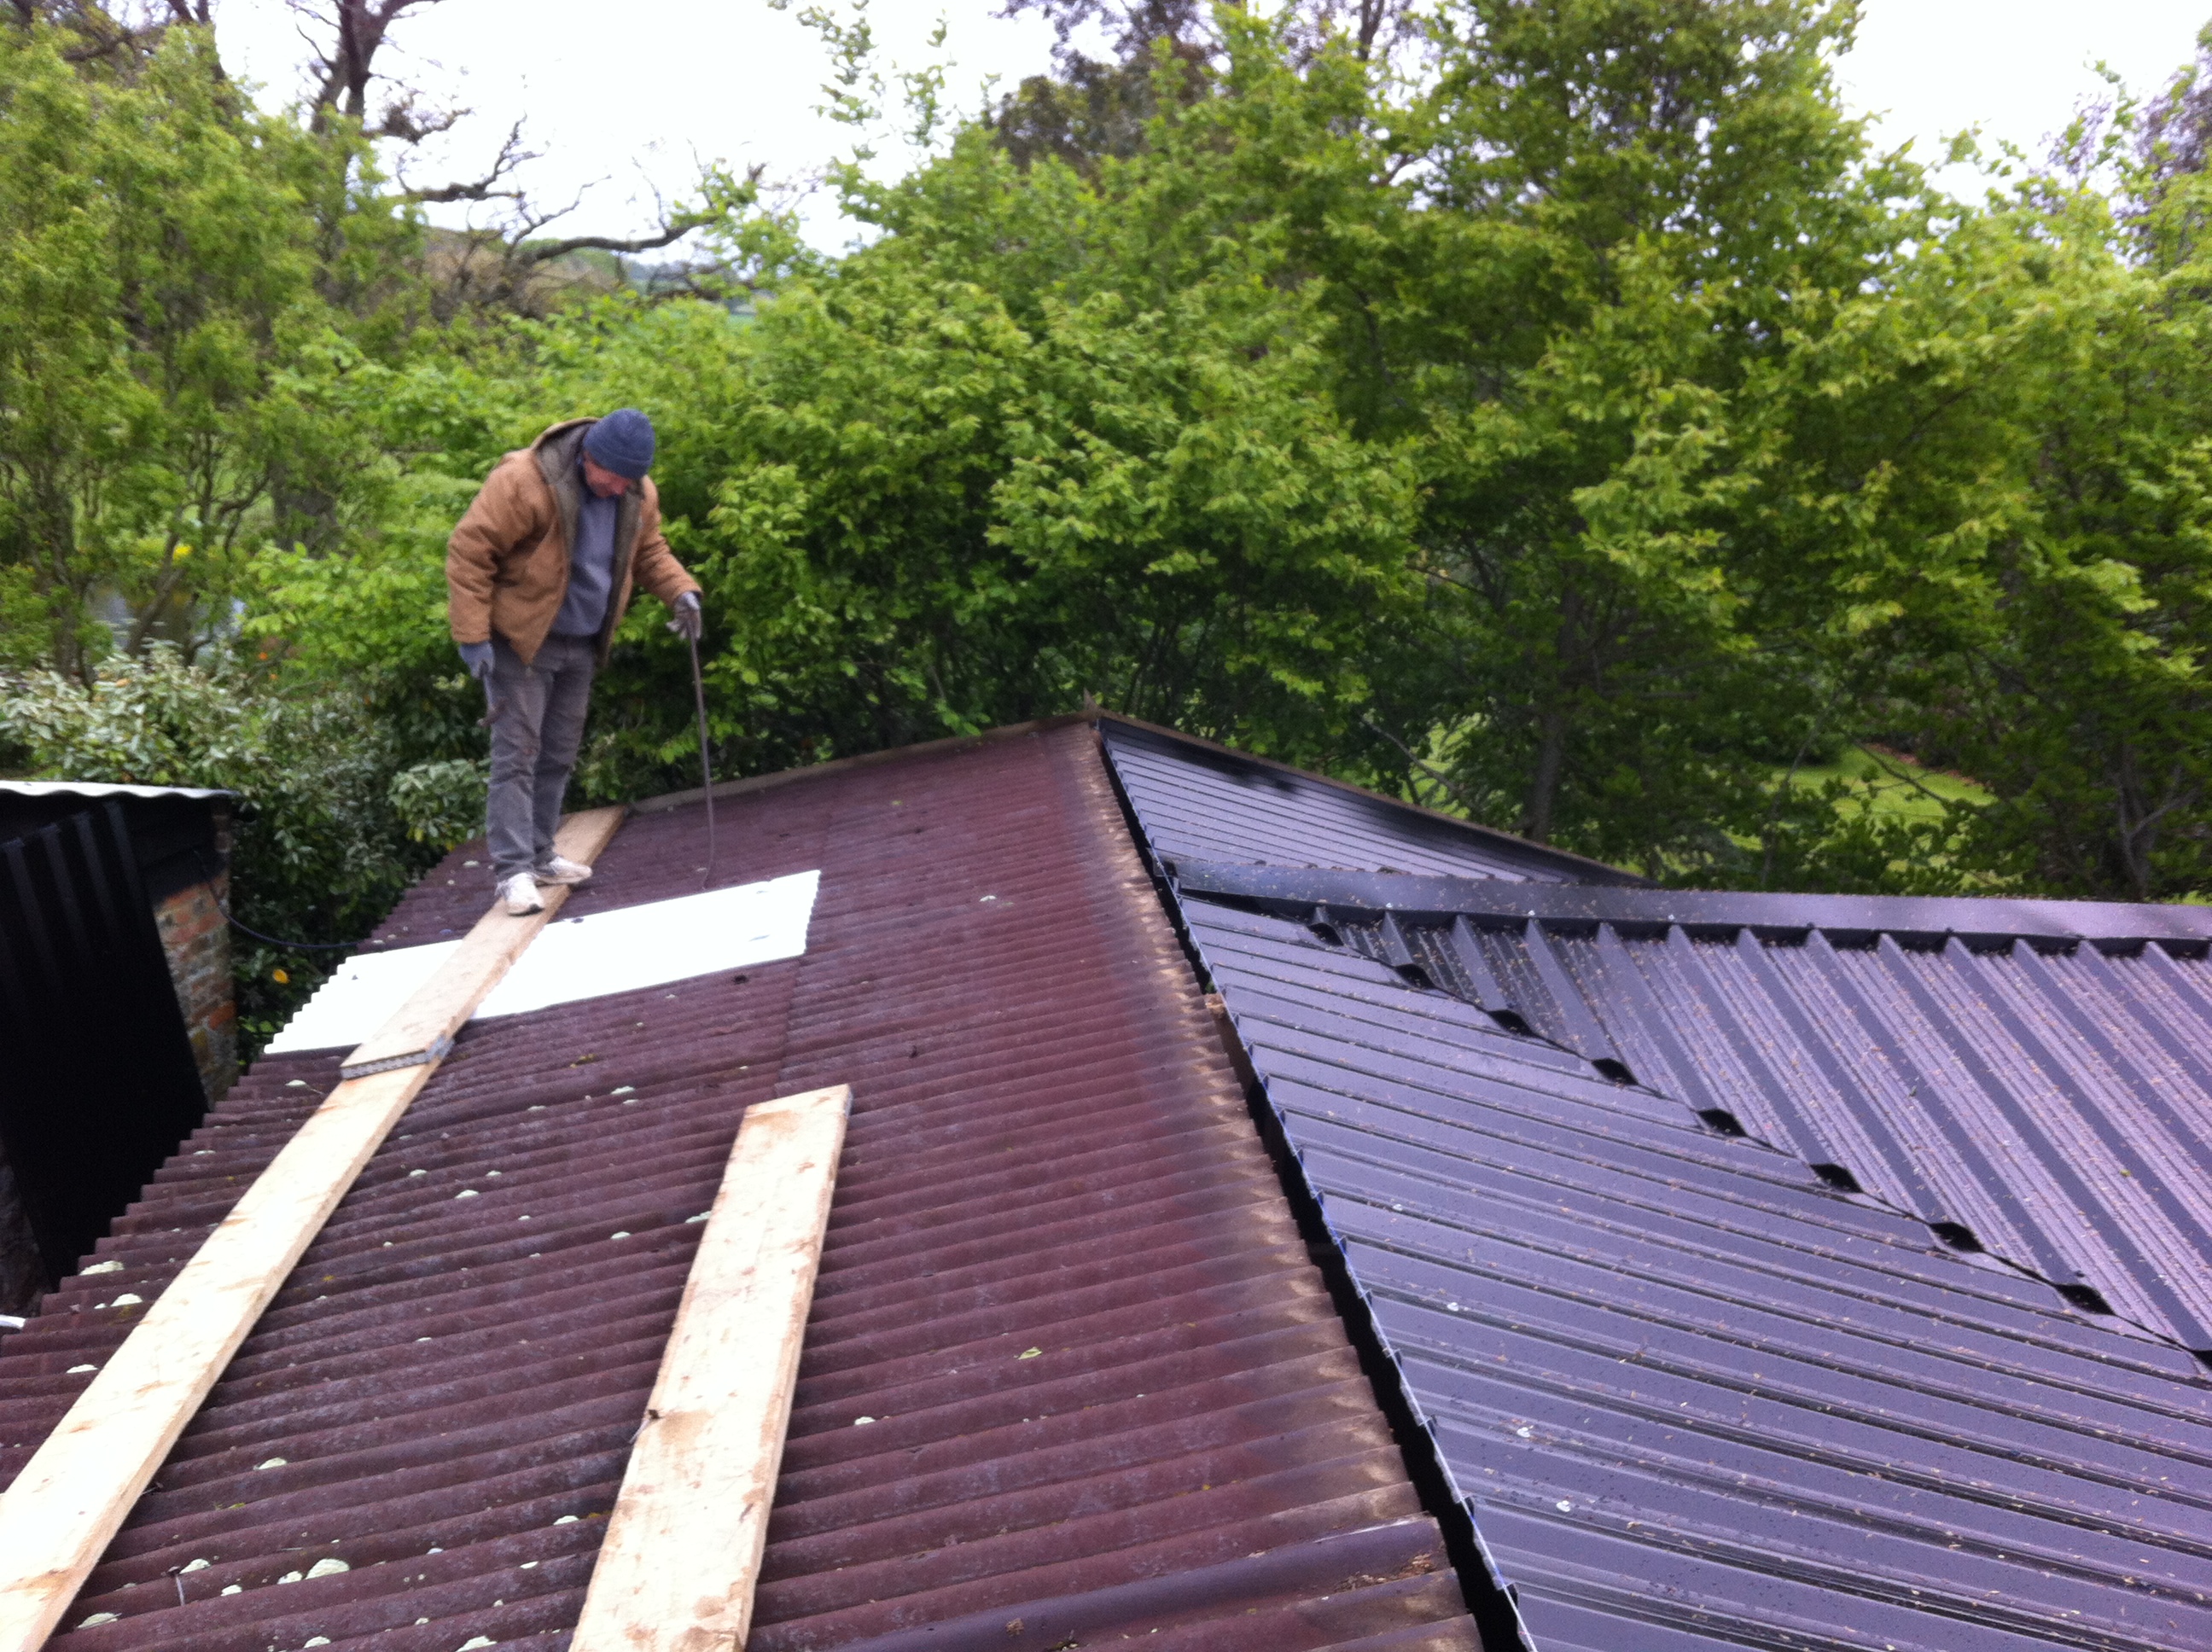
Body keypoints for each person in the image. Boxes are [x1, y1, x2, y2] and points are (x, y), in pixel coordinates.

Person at [446, 409, 702, 915]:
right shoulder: (523, 481)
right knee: (517, 754)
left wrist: (682, 592)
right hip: (521, 640)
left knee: (559, 752)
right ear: (591, 458)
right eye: (614, 478)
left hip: (582, 641)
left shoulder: (634, 491)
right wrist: (472, 636)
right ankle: (513, 872)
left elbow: (648, 549)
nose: (620, 489)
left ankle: (541, 855)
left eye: (632, 480)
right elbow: (469, 552)